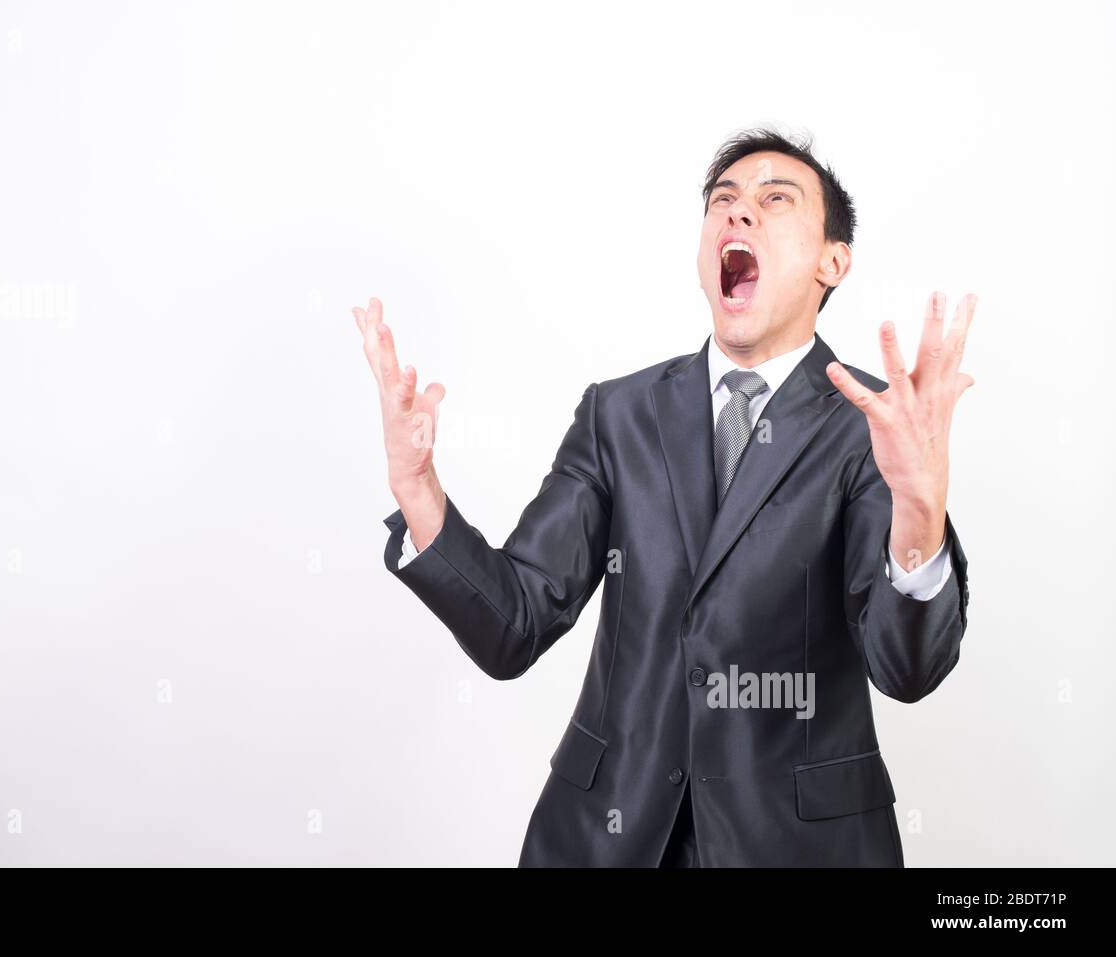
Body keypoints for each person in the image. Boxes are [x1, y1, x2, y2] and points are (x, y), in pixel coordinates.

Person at [354, 128, 975, 867]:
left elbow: (906, 669)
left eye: (775, 200)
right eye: (724, 202)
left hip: (801, 846)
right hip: (603, 839)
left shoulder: (876, 425)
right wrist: (419, 489)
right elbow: (512, 624)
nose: (739, 214)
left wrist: (919, 510)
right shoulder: (619, 414)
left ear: (831, 260)